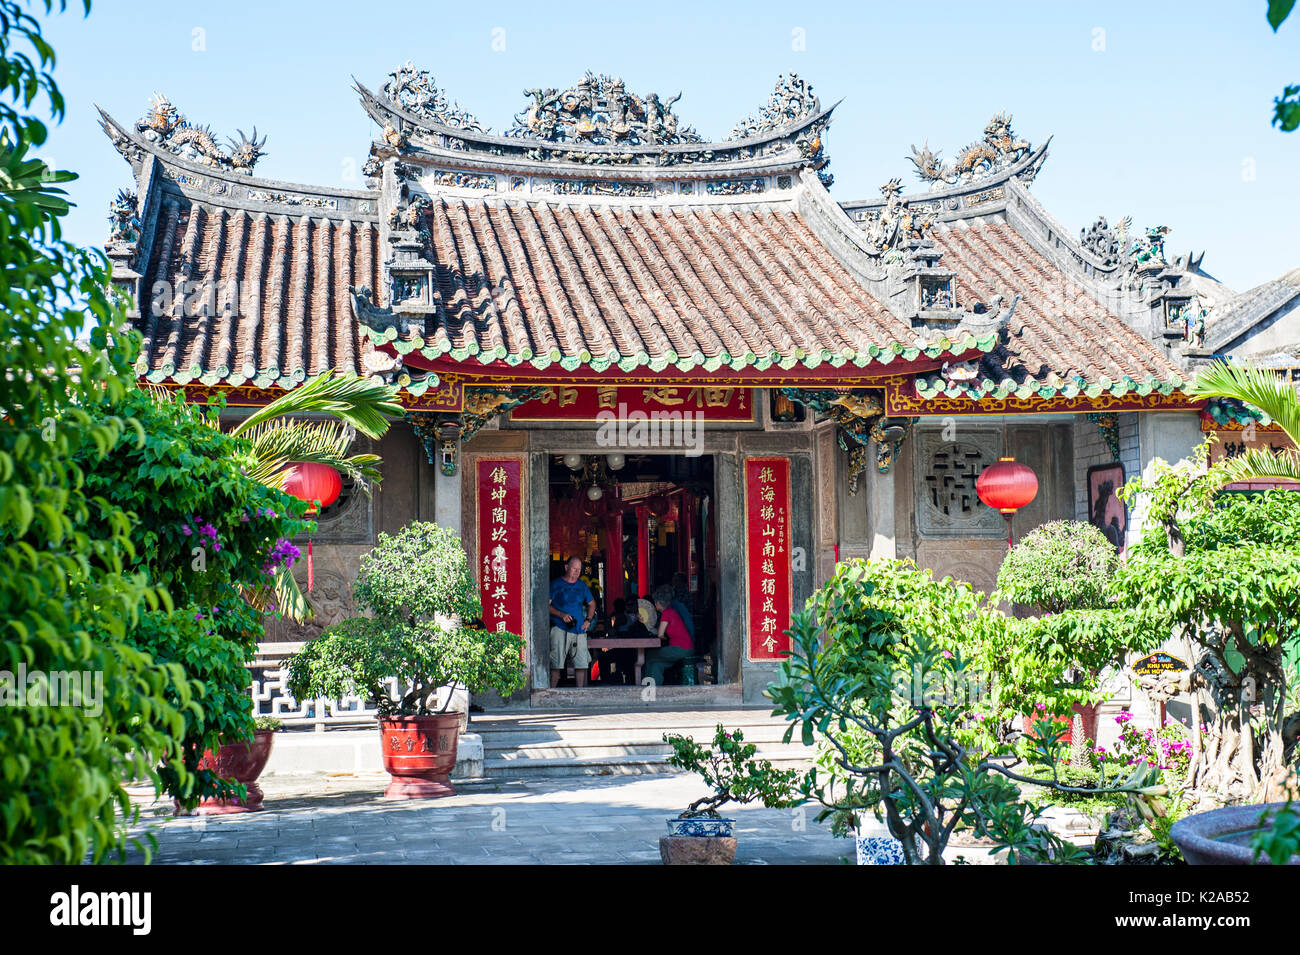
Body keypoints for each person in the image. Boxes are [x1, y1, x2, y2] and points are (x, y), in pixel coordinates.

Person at [548, 556, 596, 687]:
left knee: (581, 663)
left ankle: (580, 692)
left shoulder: (582, 585)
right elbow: (546, 606)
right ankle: (550, 693)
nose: (577, 572)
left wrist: (588, 620)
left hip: (579, 629)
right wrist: (560, 614)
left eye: (579, 570)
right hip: (559, 628)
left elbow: (592, 604)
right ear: (566, 567)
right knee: (556, 664)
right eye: (574, 568)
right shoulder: (556, 584)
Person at [644, 584, 693, 687]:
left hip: (680, 649)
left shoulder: (666, 613)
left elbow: (660, 634)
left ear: (658, 602)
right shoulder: (671, 611)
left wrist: (654, 632)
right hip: (685, 648)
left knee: (649, 655)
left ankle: (646, 687)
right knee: (655, 665)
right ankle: (652, 688)